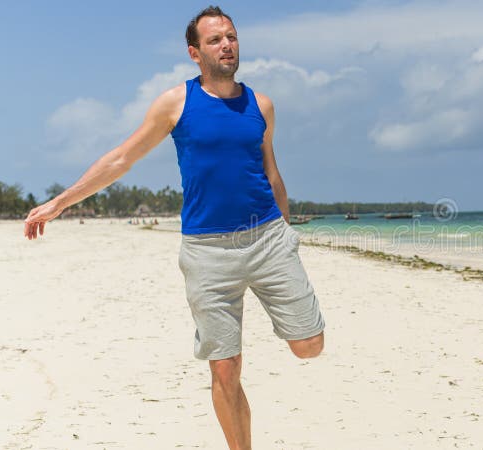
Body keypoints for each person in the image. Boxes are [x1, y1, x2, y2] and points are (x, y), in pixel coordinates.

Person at [22, 6, 325, 449]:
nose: (227, 45)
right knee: (225, 367)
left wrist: (287, 231)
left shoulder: (261, 105)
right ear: (194, 52)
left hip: (269, 240)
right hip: (207, 252)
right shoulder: (175, 103)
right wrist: (60, 202)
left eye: (231, 36)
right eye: (215, 40)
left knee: (309, 346)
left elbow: (271, 172)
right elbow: (121, 159)